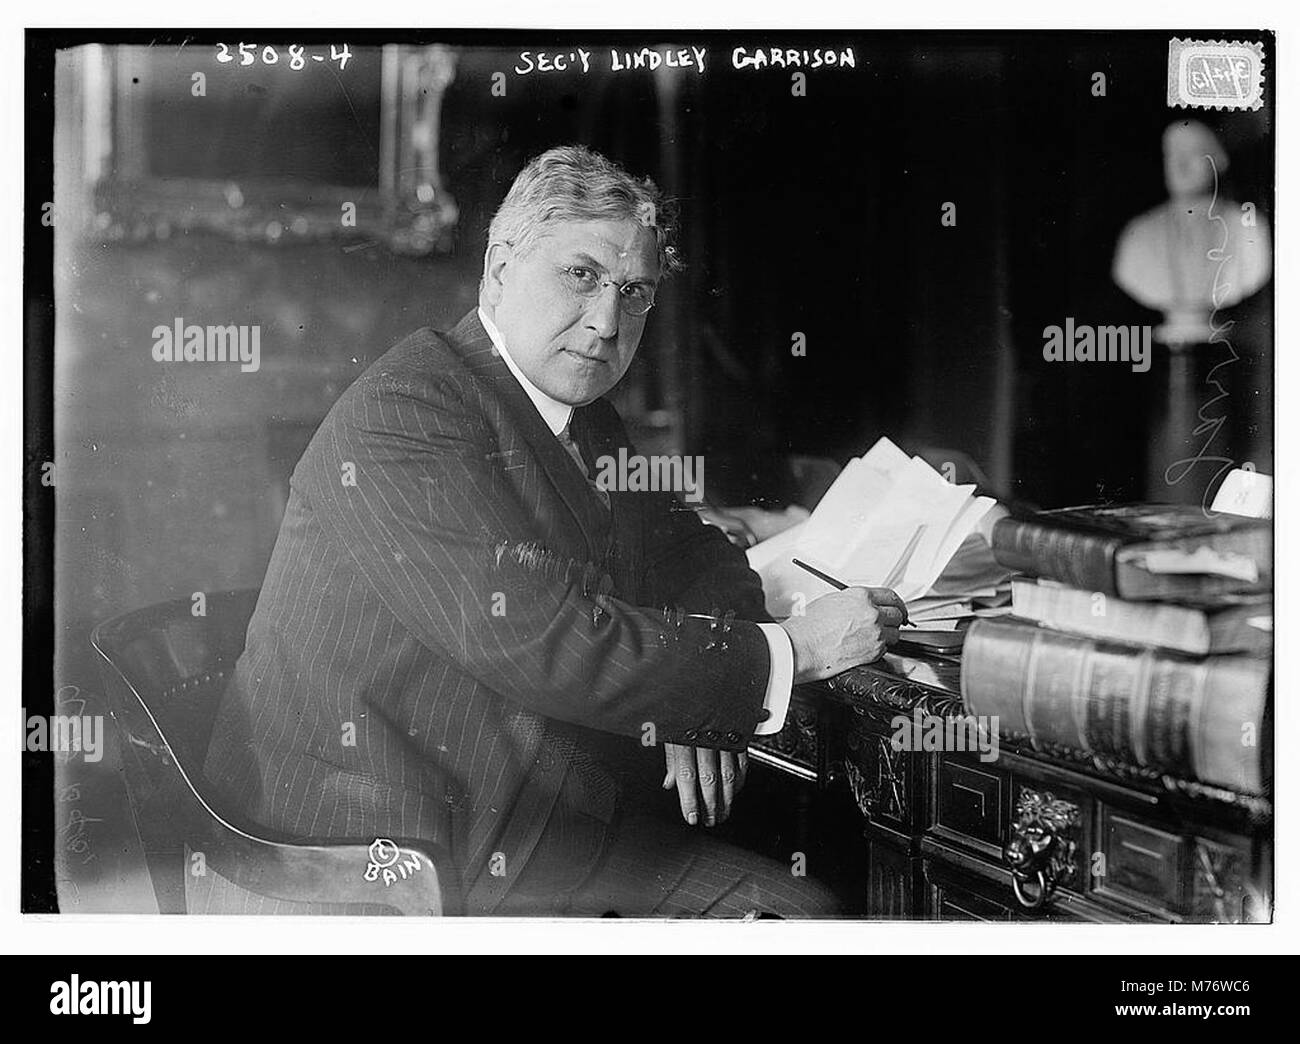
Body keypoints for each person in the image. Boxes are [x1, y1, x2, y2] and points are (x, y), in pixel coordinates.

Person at [202, 144, 904, 916]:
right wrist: (791, 654)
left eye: (633, 292)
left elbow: (694, 548)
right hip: (382, 852)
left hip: (529, 815)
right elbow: (546, 642)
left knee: (811, 907)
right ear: (501, 268)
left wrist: (704, 692)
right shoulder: (407, 409)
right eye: (581, 276)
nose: (606, 321)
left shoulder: (584, 417)